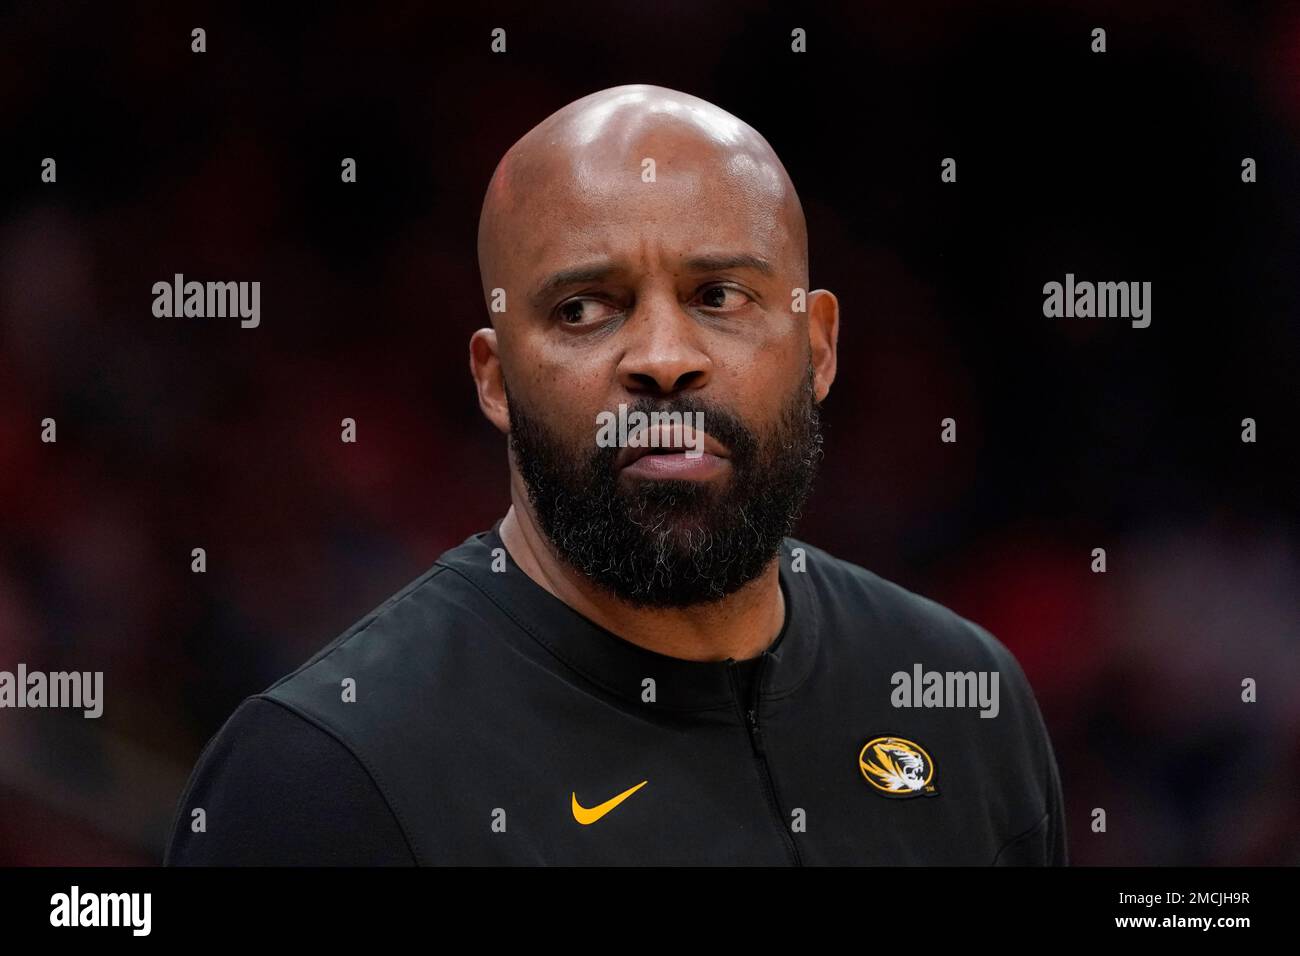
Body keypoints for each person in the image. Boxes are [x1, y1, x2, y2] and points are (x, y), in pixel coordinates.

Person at [165, 83, 1067, 865]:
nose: (664, 358)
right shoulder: (323, 777)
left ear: (818, 347)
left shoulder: (962, 693)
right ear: (495, 378)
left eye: (720, 295)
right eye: (585, 308)